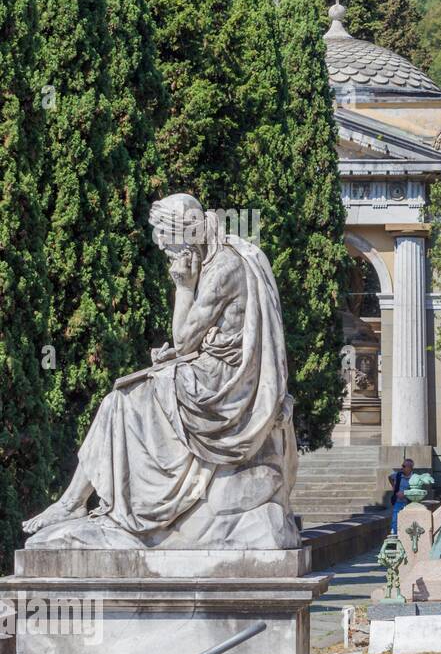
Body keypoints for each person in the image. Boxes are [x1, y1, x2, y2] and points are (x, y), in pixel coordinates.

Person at [22, 193, 298, 549]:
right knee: (127, 395)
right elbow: (201, 339)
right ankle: (79, 502)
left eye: (168, 246)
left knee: (120, 401)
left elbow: (184, 340)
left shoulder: (223, 268)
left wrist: (183, 288)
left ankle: (74, 503)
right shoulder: (225, 254)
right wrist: (186, 349)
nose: (167, 254)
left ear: (185, 234)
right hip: (215, 369)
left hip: (223, 386)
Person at [389, 458, 415, 533]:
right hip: (398, 502)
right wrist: (393, 486)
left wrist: (405, 493)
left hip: (408, 503)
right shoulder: (398, 475)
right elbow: (390, 477)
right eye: (402, 465)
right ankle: (394, 536)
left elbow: (415, 491)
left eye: (404, 466)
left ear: (409, 468)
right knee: (395, 521)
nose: (402, 467)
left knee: (408, 522)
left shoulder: (414, 478)